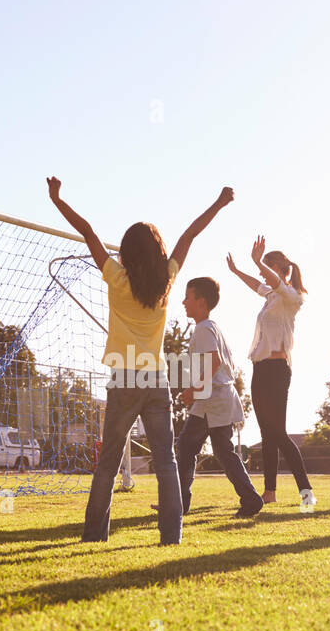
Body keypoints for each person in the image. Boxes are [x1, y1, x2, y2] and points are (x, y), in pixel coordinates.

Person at [47, 176, 233, 544]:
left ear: (127, 253)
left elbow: (86, 230)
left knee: (108, 461)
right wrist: (218, 203)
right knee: (167, 460)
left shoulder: (116, 277)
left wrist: (57, 199)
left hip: (124, 377)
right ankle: (171, 536)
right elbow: (189, 235)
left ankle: (95, 535)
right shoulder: (166, 281)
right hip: (156, 380)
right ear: (158, 252)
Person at [227, 237, 315, 510]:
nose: (261, 271)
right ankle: (270, 492)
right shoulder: (272, 296)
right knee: (268, 433)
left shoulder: (292, 297)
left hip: (277, 370)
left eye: (266, 267)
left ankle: (307, 494)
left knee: (277, 433)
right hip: (260, 368)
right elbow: (258, 285)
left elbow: (272, 282)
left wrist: (256, 261)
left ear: (278, 268)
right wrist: (237, 271)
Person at [174, 277, 262, 517]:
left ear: (201, 302)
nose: (183, 302)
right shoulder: (211, 327)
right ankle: (181, 502)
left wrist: (193, 391)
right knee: (208, 449)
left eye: (188, 297)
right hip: (215, 400)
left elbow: (215, 361)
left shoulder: (204, 328)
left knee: (191, 447)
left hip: (214, 399)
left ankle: (180, 503)